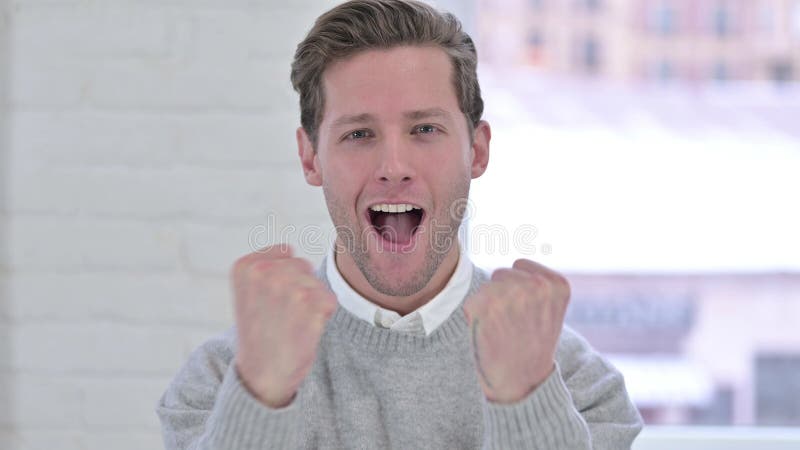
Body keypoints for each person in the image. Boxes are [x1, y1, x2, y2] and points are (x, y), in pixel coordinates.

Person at [156, 1, 643, 448]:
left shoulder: (576, 385)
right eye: (359, 133)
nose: (394, 165)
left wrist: (528, 406)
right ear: (310, 158)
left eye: (425, 129)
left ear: (476, 150)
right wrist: (260, 403)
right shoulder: (222, 383)